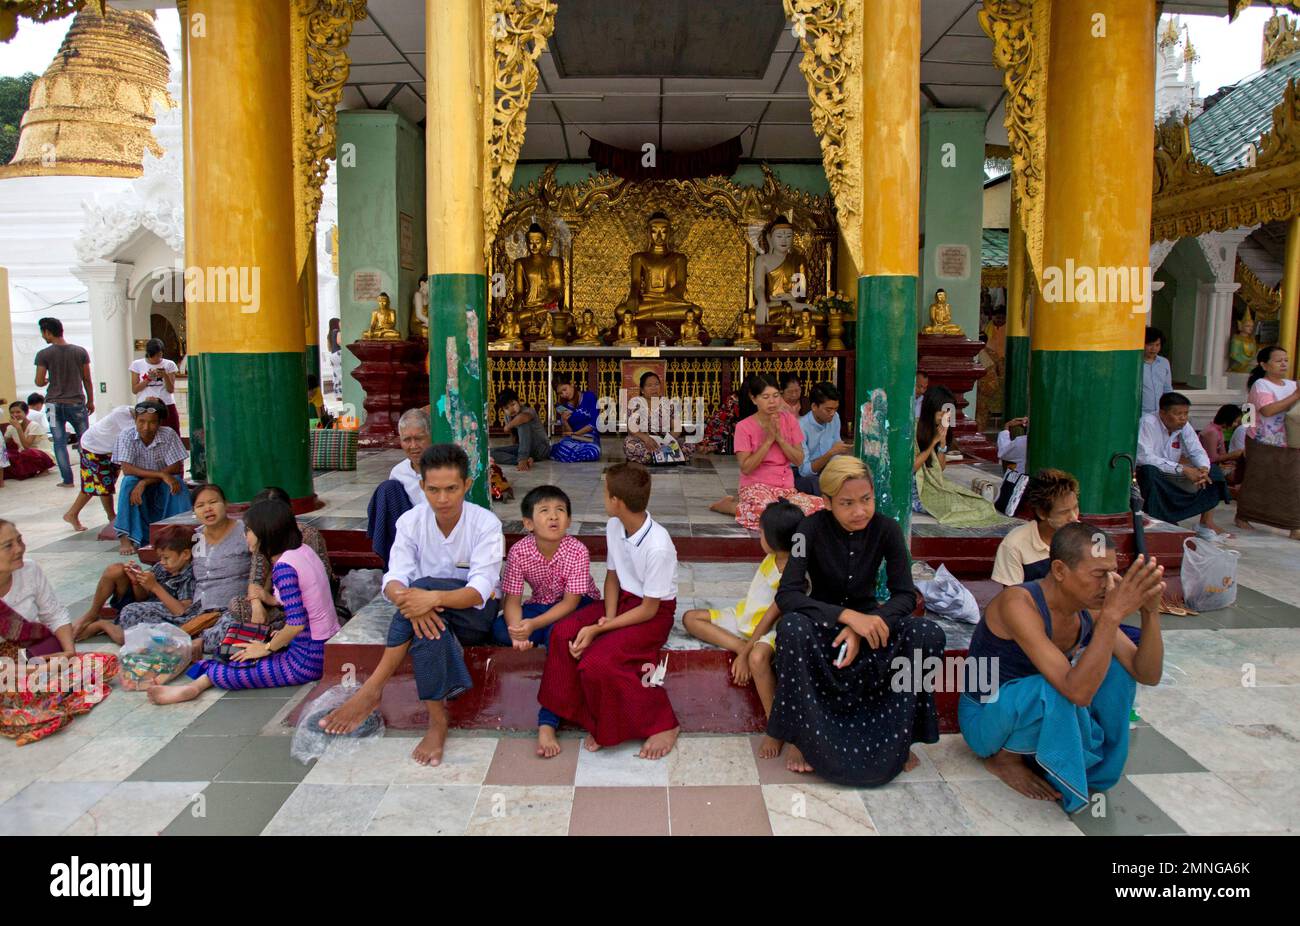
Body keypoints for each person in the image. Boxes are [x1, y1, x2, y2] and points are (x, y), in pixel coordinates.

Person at [319, 444, 504, 766]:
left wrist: (428, 598)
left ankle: (372, 688)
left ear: (467, 485)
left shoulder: (485, 524)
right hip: (424, 614)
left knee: (422, 590)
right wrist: (415, 601)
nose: (442, 499)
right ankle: (437, 720)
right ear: (421, 487)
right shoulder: (410, 522)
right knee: (426, 625)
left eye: (451, 489)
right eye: (433, 490)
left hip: (475, 615)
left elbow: (478, 591)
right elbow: (394, 580)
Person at [960, 524, 1165, 812]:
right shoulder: (1018, 603)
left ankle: (1090, 763)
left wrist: (1150, 611)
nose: (1109, 584)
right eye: (1098, 574)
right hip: (984, 719)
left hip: (1035, 717)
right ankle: (1005, 760)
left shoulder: (1089, 607)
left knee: (1119, 670)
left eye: (1111, 572)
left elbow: (1147, 674)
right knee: (1055, 687)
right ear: (1059, 570)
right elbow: (1075, 692)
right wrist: (1112, 615)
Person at [764, 456, 944, 783]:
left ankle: (901, 739)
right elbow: (788, 594)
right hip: (824, 628)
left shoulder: (887, 529)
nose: (859, 511)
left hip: (872, 627)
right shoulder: (808, 529)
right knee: (791, 627)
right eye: (847, 503)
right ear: (828, 502)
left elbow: (905, 594)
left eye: (866, 500)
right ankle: (800, 738)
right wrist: (846, 618)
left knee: (927, 633)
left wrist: (868, 623)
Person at [539, 462, 681, 759]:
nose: (603, 497)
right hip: (623, 603)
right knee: (562, 633)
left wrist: (600, 629)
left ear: (616, 501)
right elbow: (613, 576)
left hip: (652, 614)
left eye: (605, 493)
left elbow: (649, 609)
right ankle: (566, 716)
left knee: (596, 663)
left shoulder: (658, 546)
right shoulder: (615, 525)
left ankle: (663, 722)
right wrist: (610, 617)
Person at [150, 498, 341, 703]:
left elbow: (295, 624)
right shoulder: (302, 551)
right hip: (320, 644)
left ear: (265, 532)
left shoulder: (285, 568)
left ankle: (192, 688)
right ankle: (193, 684)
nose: (245, 535)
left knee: (237, 665)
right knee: (239, 650)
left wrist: (267, 648)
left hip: (306, 659)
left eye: (248, 530)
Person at [491, 486, 601, 758]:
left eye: (560, 511)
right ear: (528, 523)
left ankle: (548, 721)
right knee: (499, 628)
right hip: (541, 605)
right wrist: (518, 631)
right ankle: (537, 635)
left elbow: (570, 604)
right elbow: (513, 601)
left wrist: (534, 626)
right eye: (544, 511)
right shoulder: (519, 551)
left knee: (557, 635)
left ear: (569, 520)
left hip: (580, 605)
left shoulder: (576, 550)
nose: (554, 517)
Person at [683, 499, 803, 740]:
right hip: (744, 618)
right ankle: (739, 645)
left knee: (758, 659)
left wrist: (748, 653)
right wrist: (741, 649)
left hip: (768, 632)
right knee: (690, 618)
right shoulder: (774, 557)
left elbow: (771, 619)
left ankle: (774, 726)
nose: (759, 537)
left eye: (761, 533)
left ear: (775, 539)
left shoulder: (793, 573)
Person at [708, 373, 825, 530]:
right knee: (764, 514)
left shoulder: (789, 420)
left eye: (776, 395)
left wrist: (780, 440)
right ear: (754, 398)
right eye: (765, 397)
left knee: (820, 508)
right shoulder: (744, 426)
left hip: (786, 489)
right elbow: (746, 467)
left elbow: (798, 460)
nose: (772, 401)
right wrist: (768, 440)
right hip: (756, 487)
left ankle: (755, 508)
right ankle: (729, 506)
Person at [72, 527, 196, 643]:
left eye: (166, 558)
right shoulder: (161, 567)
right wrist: (136, 581)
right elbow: (142, 597)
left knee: (125, 637)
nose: (162, 562)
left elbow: (181, 611)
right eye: (160, 558)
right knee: (114, 570)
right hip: (145, 608)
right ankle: (93, 614)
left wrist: (155, 587)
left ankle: (103, 625)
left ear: (185, 554)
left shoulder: (190, 574)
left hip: (166, 615)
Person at [1137, 391, 1230, 540]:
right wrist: (1181, 469)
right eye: (1178, 414)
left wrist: (1203, 469)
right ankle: (1159, 519)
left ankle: (1205, 524)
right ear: (1162, 413)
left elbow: (1196, 450)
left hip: (1175, 473)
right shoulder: (1148, 423)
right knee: (1149, 472)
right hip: (1156, 474)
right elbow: (1144, 457)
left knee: (1214, 473)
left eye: (1186, 413)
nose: (1183, 418)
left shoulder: (1184, 426)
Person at [914, 385, 1004, 526]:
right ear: (931, 410)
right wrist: (933, 442)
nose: (945, 418)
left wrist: (942, 443)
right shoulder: (914, 428)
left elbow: (940, 468)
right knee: (955, 508)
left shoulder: (940, 430)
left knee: (976, 502)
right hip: (916, 492)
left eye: (948, 414)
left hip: (933, 485)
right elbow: (912, 468)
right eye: (942, 413)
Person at [111, 398, 191, 555]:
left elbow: (175, 467)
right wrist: (159, 474)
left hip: (162, 480)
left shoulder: (168, 434)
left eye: (152, 422)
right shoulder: (126, 435)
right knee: (128, 482)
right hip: (144, 478)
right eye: (141, 421)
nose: (146, 427)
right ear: (135, 420)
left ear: (160, 422)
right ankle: (125, 538)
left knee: (177, 483)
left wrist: (147, 481)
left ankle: (184, 532)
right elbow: (127, 469)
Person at [188, 484, 255, 659]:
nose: (207, 509)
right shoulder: (196, 537)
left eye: (213, 502)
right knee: (131, 613)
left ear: (225, 504)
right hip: (197, 612)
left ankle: (196, 641)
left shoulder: (245, 532)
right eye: (200, 505)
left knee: (233, 626)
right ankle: (191, 638)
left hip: (230, 610)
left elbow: (263, 566)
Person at [991, 469, 1080, 587]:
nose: (1074, 518)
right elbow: (1012, 598)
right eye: (1064, 512)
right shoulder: (1014, 545)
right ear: (1041, 513)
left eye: (1075, 508)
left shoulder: (1085, 537)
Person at [0, 519, 75, 657]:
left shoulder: (29, 570)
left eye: (19, 540)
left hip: (34, 655)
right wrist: (35, 667)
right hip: (9, 668)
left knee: (103, 664)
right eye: (8, 546)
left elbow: (54, 614)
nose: (19, 549)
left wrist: (69, 653)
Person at [33, 317, 94, 488]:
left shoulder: (43, 354)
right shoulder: (80, 352)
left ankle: (67, 480)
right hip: (76, 402)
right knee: (85, 440)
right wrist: (91, 400)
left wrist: (46, 380)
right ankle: (88, 476)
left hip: (52, 404)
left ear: (47, 332)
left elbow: (38, 381)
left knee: (59, 442)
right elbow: (87, 379)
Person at [367, 408, 432, 564]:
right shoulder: (399, 472)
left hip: (439, 531)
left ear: (430, 436)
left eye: (419, 438)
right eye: (407, 440)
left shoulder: (444, 467)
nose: (413, 446)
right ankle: (395, 563)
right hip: (409, 534)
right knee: (387, 489)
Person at [61, 404, 134, 532]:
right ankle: (112, 518)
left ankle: (72, 513)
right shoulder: (123, 415)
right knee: (104, 485)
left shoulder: (136, 417)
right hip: (94, 448)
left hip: (109, 450)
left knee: (95, 484)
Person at [795, 382, 850, 495]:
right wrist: (830, 453)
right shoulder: (801, 427)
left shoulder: (835, 418)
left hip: (826, 468)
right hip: (802, 474)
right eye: (828, 410)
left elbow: (836, 450)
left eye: (835, 409)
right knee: (816, 483)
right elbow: (805, 471)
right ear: (814, 407)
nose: (832, 413)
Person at [623, 371, 684, 464]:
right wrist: (646, 439)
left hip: (665, 440)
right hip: (644, 441)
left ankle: (653, 457)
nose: (654, 388)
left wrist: (667, 440)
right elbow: (632, 428)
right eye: (649, 385)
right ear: (642, 390)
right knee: (630, 445)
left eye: (656, 384)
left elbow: (677, 428)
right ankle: (665, 457)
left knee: (689, 445)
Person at [1245, 346, 1297, 448]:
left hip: (1288, 442)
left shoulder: (1292, 385)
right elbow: (1267, 410)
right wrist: (1296, 395)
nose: (1284, 364)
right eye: (1278, 361)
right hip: (1263, 441)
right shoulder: (1261, 384)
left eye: (1286, 360)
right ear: (1264, 365)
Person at [129, 338, 181, 434]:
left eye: (159, 355)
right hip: (145, 404)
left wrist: (165, 375)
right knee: (147, 432)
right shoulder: (137, 364)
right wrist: (148, 379)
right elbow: (135, 390)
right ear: (148, 354)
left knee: (172, 432)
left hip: (166, 403)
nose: (157, 359)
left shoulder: (169, 364)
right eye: (154, 356)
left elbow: (170, 389)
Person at [493, 388, 551, 470]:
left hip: (541, 449)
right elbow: (513, 437)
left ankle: (523, 459)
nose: (511, 409)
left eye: (513, 404)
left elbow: (522, 418)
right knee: (492, 453)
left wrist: (508, 426)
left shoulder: (529, 411)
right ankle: (523, 460)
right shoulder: (508, 417)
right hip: (524, 448)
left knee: (521, 422)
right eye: (506, 408)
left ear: (519, 402)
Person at [551, 377, 602, 463]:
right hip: (572, 439)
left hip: (589, 438)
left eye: (564, 389)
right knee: (563, 445)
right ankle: (573, 454)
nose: (564, 394)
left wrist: (576, 433)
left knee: (593, 452)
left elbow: (594, 423)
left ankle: (566, 455)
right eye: (560, 393)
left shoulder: (589, 397)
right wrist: (564, 421)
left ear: (572, 385)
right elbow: (568, 432)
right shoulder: (561, 407)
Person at [3, 401, 55, 480]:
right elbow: (4, 443)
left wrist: (19, 428)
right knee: (7, 456)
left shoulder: (34, 425)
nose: (15, 415)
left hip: (40, 454)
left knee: (28, 452)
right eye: (12, 413)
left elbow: (27, 446)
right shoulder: (11, 427)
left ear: (26, 413)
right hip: (22, 454)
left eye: (18, 412)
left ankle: (43, 469)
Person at [1198, 403, 1245, 484]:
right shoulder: (1212, 432)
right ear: (1227, 419)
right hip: (1207, 468)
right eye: (1235, 421)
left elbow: (1222, 455)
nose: (1236, 425)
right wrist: (1232, 455)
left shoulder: (1219, 430)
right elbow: (1211, 459)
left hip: (1216, 465)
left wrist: (1230, 460)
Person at [1140, 326, 1172, 418]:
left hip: (1160, 414)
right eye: (1150, 345)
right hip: (1141, 414)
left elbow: (1167, 389)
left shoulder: (1164, 362)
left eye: (1157, 345)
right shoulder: (1136, 364)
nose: (1154, 348)